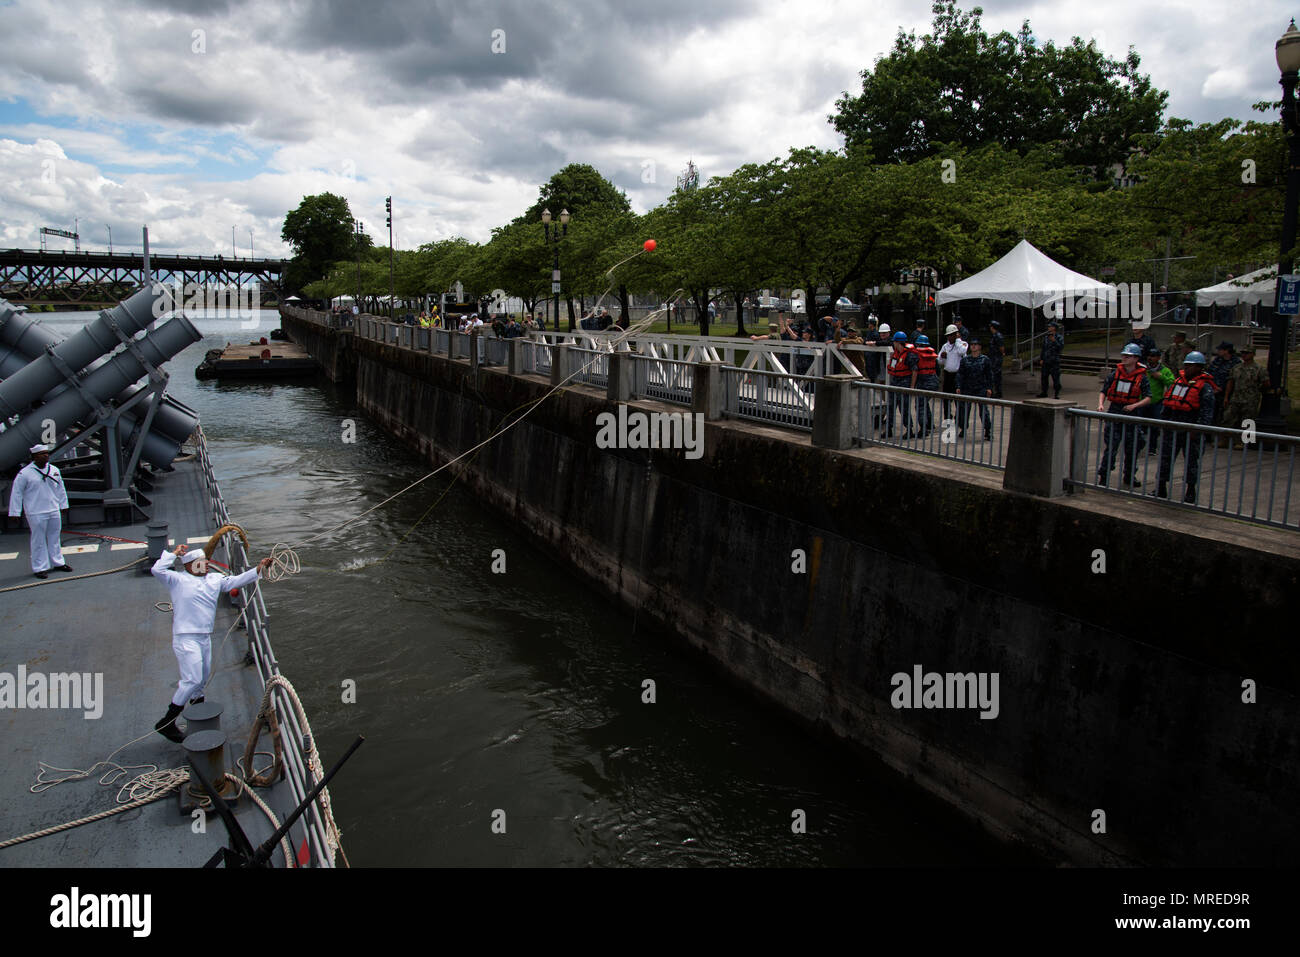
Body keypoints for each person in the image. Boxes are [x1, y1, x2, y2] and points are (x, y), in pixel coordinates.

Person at [150, 544, 274, 742]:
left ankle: (198, 720)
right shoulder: (177, 580)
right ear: (190, 565)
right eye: (201, 563)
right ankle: (167, 722)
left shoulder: (214, 580)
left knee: (201, 680)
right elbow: (157, 570)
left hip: (204, 637)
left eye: (206, 562)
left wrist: (259, 568)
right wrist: (173, 554)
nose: (206, 565)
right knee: (191, 678)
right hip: (186, 637)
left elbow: (235, 581)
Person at [1157, 352, 1216, 503]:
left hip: (1192, 432)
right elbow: (1167, 404)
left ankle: (1190, 491)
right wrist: (1163, 422)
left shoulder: (1205, 387)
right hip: (1173, 428)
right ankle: (1161, 487)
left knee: (1191, 462)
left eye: (1191, 366)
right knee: (1165, 458)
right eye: (1186, 365)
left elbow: (1207, 413)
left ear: (1199, 368)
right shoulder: (1178, 382)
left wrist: (1199, 430)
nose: (1187, 368)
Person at [7, 444, 71, 579]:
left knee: (54, 537)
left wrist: (63, 504)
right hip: (36, 511)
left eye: (46, 453)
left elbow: (60, 488)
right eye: (42, 454)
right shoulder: (24, 474)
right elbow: (17, 493)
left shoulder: (54, 470)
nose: (46, 455)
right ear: (34, 457)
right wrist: (15, 512)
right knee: (38, 540)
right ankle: (40, 567)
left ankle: (58, 562)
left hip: (53, 509)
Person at [1096, 343, 1151, 488]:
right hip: (1115, 411)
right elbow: (1104, 391)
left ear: (1136, 358)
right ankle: (1104, 475)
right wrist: (1101, 404)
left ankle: (1129, 475)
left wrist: (1135, 405)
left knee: (1132, 447)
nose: (1124, 358)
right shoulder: (1115, 373)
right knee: (1111, 447)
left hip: (1131, 413)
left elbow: (1148, 397)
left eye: (1128, 356)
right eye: (1123, 356)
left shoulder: (1142, 377)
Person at [1222, 345, 1269, 433]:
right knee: (1228, 418)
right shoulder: (1236, 367)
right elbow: (1230, 382)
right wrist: (1226, 397)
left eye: (1247, 353)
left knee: (1248, 422)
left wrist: (1258, 390)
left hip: (1250, 400)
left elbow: (1266, 383)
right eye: (1243, 353)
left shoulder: (1259, 369)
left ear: (1253, 354)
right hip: (1235, 398)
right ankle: (1225, 439)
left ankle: (1245, 442)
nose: (1244, 355)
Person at [956, 338, 994, 440]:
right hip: (968, 388)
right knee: (965, 411)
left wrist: (989, 388)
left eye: (976, 344)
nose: (973, 346)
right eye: (972, 344)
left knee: (984, 411)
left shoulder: (985, 360)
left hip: (981, 388)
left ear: (979, 347)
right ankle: (963, 429)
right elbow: (960, 374)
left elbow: (989, 375)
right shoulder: (965, 360)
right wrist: (959, 386)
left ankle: (988, 430)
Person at [885, 331, 918, 437]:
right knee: (890, 406)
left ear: (898, 342)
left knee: (904, 408)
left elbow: (914, 370)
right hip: (895, 381)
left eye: (894, 342)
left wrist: (912, 386)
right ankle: (888, 429)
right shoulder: (896, 354)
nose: (893, 344)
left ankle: (909, 430)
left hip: (904, 382)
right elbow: (892, 367)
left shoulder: (909, 355)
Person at [938, 323, 968, 419]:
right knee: (946, 398)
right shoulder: (945, 346)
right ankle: (947, 416)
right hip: (948, 374)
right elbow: (939, 361)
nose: (951, 337)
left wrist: (958, 340)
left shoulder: (962, 344)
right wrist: (942, 357)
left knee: (958, 397)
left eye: (953, 335)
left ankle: (959, 416)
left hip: (957, 375)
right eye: (949, 335)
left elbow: (962, 352)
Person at [1206, 342, 1241, 423]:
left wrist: (1224, 392)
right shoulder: (1217, 360)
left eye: (1220, 350)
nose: (1218, 351)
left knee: (1224, 417)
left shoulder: (1236, 363)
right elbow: (1209, 373)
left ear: (1227, 351)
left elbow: (1233, 380)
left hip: (1226, 394)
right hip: (1213, 391)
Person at [913, 334, 940, 437]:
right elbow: (938, 370)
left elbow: (915, 370)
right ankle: (930, 424)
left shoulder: (916, 355)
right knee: (925, 403)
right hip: (934, 381)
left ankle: (923, 429)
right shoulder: (933, 355)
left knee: (920, 405)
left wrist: (912, 384)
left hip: (923, 382)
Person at [1037, 322, 1064, 398]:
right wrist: (1041, 358)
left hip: (1054, 361)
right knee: (1044, 377)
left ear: (1054, 328)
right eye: (1048, 326)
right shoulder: (1046, 337)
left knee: (1056, 378)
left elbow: (1060, 348)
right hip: (1046, 361)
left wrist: (1054, 340)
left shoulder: (1059, 337)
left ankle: (1056, 394)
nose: (1049, 328)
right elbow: (1043, 349)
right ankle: (1044, 392)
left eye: (1050, 326)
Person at [987, 320, 1005, 397]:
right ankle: (996, 391)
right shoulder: (995, 335)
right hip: (993, 358)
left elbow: (1001, 347)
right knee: (994, 376)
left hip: (996, 359)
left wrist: (1001, 354)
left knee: (995, 376)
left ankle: (997, 392)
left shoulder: (998, 336)